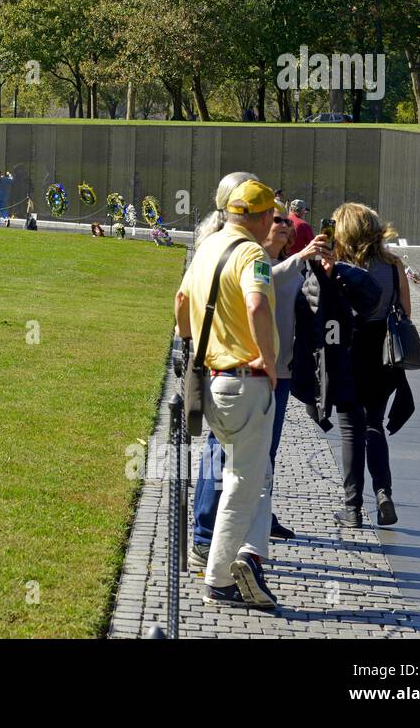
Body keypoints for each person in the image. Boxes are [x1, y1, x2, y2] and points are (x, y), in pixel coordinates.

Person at [191, 206, 333, 557]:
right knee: (221, 454)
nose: (285, 225)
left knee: (262, 459)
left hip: (278, 373)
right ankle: (206, 531)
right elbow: (264, 285)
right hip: (247, 372)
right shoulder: (252, 260)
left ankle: (253, 523)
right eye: (278, 220)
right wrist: (302, 255)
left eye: (288, 221)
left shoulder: (286, 264)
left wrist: (324, 270)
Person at [175, 178, 281, 611]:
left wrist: (192, 345)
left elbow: (182, 301)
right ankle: (221, 576)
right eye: (271, 216)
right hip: (245, 381)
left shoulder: (207, 247)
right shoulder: (252, 254)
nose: (274, 223)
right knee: (243, 482)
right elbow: (257, 306)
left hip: (211, 380)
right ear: (258, 219)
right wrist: (267, 358)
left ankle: (249, 557)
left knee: (255, 475)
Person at [330, 202, 413, 528]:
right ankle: (384, 494)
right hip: (383, 354)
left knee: (351, 429)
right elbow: (405, 312)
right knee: (375, 424)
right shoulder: (393, 265)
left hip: (349, 352)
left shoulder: (338, 267)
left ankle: (352, 509)